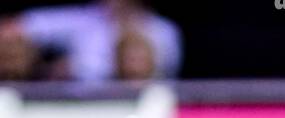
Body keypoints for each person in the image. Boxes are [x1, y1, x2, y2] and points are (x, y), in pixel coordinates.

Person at [16, 1, 181, 81]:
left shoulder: (163, 30)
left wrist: (76, 66)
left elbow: (149, 73)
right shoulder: (88, 20)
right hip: (87, 109)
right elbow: (34, 24)